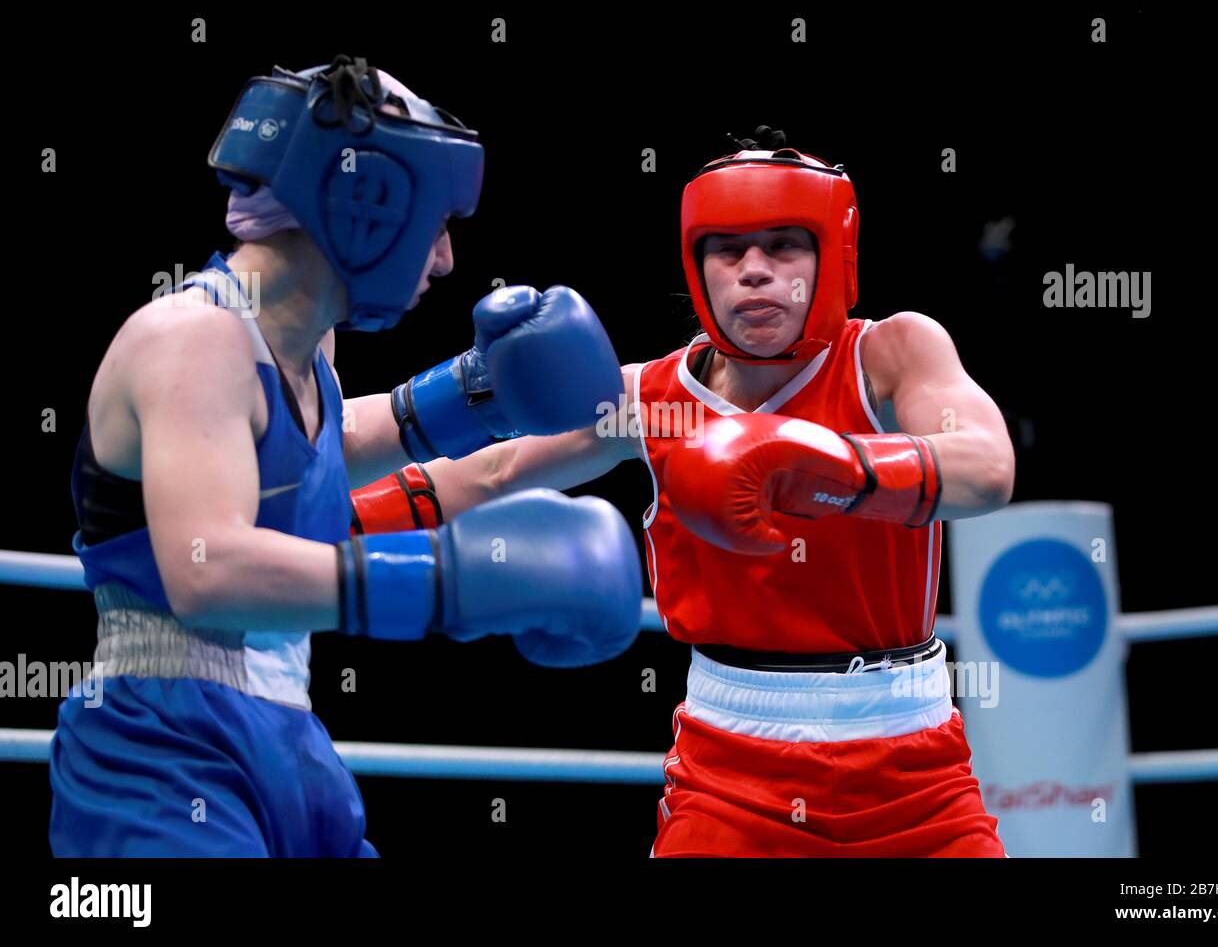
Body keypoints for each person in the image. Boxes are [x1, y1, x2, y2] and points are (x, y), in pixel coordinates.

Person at [49, 55, 642, 857]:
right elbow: (206, 570)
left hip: (286, 732)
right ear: (368, 205)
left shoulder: (300, 346)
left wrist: (473, 396)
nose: (444, 261)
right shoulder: (192, 339)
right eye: (437, 225)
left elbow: (315, 445)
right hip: (157, 754)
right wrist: (449, 581)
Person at [371, 125, 1017, 856]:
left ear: (831, 254)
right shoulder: (655, 398)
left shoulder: (891, 354)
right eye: (728, 249)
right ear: (696, 262)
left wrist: (832, 466)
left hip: (915, 770)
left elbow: (987, 464)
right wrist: (317, 515)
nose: (754, 270)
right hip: (731, 772)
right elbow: (489, 472)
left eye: (783, 244)